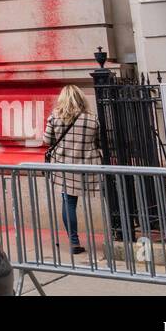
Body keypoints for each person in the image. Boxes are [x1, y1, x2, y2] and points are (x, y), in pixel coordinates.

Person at [42, 85, 102, 256]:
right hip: (87, 166)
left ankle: (74, 241)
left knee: (68, 202)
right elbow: (99, 142)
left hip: (63, 165)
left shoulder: (55, 117)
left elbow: (47, 140)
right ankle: (116, 232)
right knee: (103, 196)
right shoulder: (92, 119)